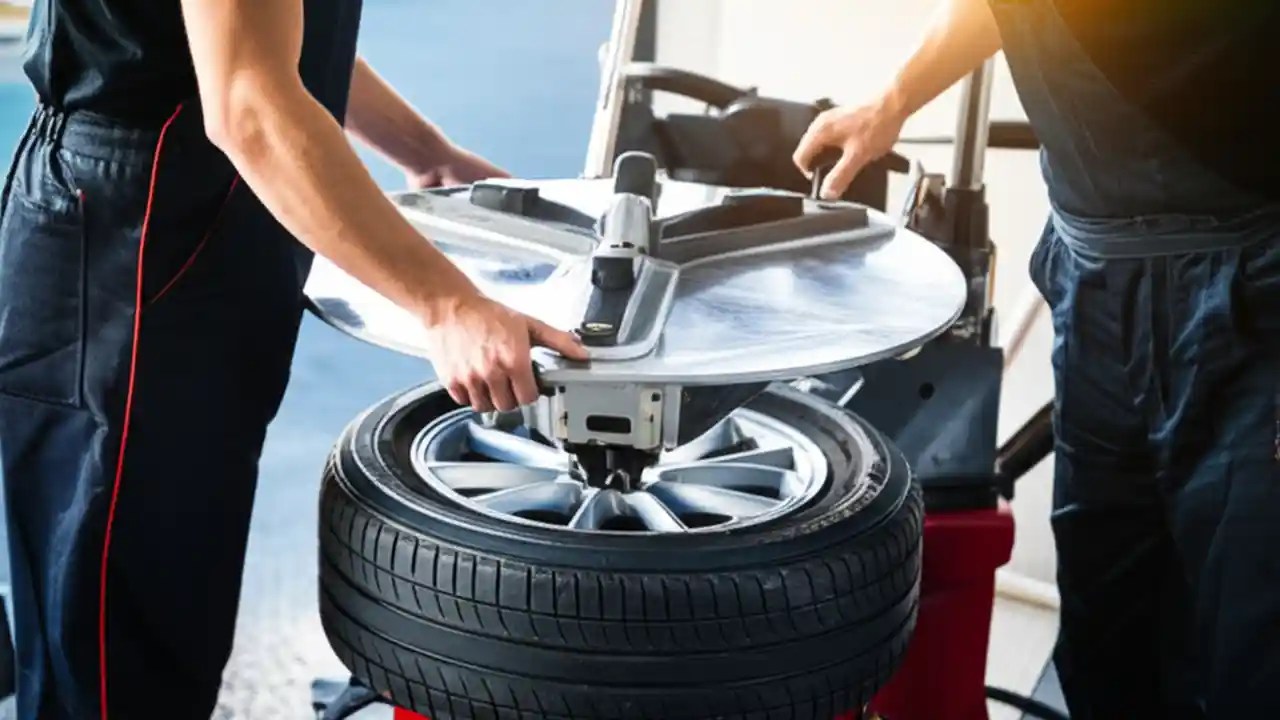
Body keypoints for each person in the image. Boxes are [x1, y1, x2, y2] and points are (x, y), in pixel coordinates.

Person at [0, 0, 587, 718]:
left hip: (207, 210)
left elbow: (276, 34)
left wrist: (425, 152)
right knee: (113, 652)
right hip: (134, 230)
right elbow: (248, 105)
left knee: (175, 596)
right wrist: (447, 304)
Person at [795, 0, 1278, 717]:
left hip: (1250, 289)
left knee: (1251, 644)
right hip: (1096, 284)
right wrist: (893, 101)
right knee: (1105, 636)